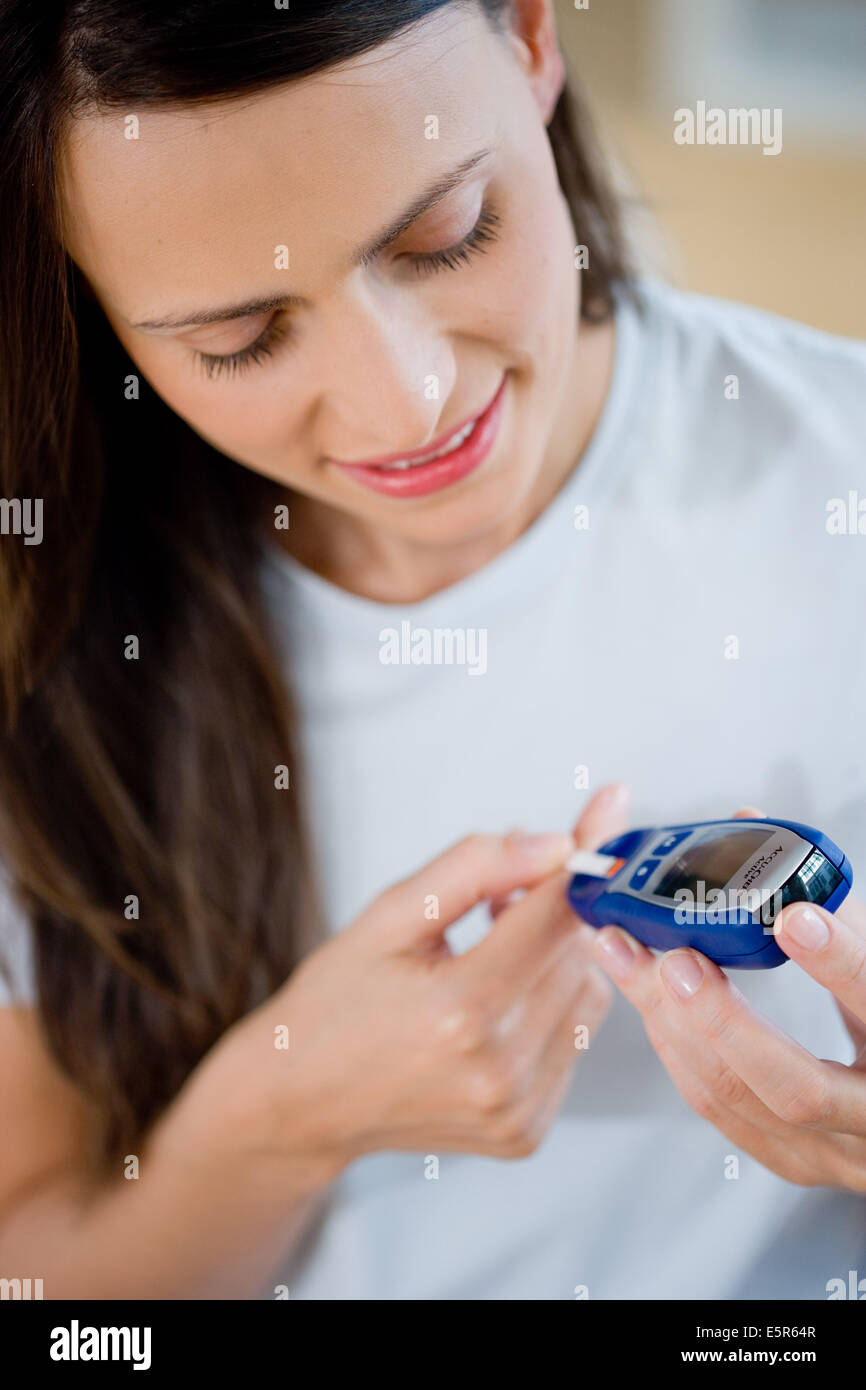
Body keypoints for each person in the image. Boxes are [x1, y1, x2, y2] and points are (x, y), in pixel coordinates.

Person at [0, 0, 864, 1301]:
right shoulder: (41, 647)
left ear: (528, 37)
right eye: (239, 337)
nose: (408, 399)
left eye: (446, 234)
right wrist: (280, 1113)